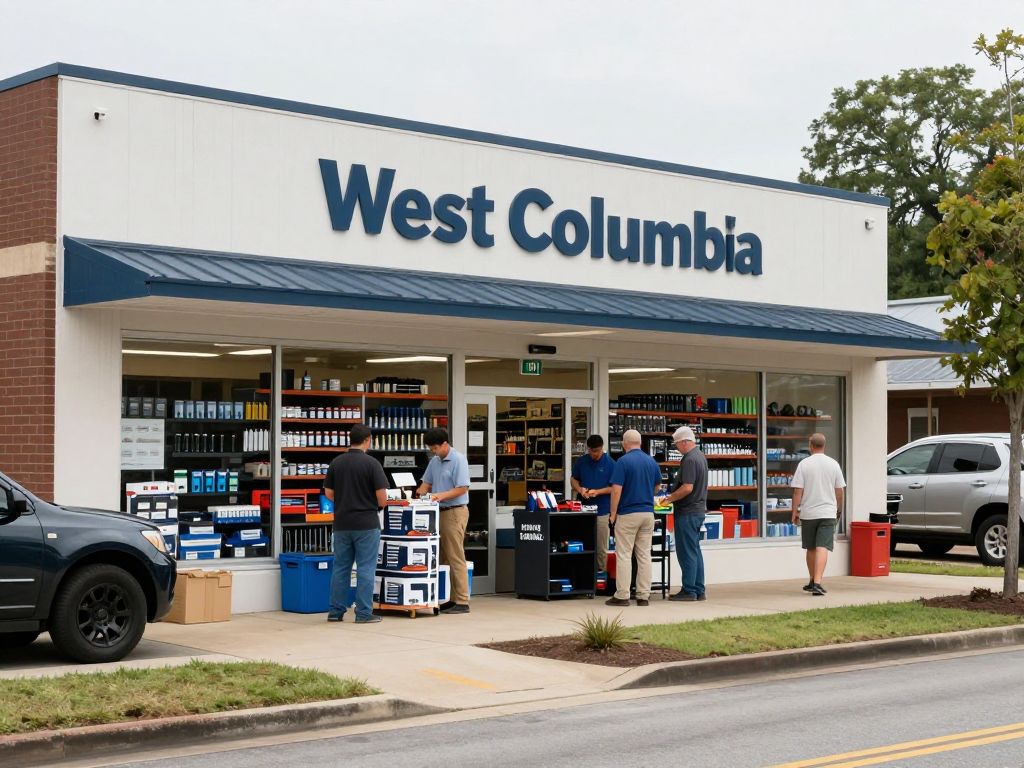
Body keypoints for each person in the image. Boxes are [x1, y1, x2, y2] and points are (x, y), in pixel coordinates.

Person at [325, 423, 389, 624]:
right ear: (367, 440)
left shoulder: (337, 462)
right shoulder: (372, 464)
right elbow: (382, 498)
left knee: (341, 567)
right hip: (366, 524)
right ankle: (363, 613)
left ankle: (335, 612)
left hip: (342, 523)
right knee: (365, 568)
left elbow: (328, 493)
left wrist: (345, 502)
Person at [417, 427, 472, 614]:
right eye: (431, 449)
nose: (433, 451)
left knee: (455, 555)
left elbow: (462, 488)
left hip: (454, 512)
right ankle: (451, 598)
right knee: (442, 557)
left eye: (435, 448)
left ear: (444, 444)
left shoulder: (458, 460)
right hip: (437, 512)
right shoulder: (435, 461)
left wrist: (439, 496)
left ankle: (463, 601)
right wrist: (416, 495)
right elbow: (426, 484)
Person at [606, 429, 661, 607]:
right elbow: (658, 486)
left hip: (628, 513)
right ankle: (643, 595)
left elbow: (616, 489)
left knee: (624, 554)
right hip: (647, 513)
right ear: (640, 443)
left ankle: (622, 595)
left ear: (624, 443)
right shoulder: (651, 461)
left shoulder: (623, 461)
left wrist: (613, 513)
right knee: (644, 554)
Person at [790, 432, 846, 596]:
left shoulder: (804, 464)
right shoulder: (833, 464)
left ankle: (812, 580)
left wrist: (795, 511)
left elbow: (797, 491)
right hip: (828, 512)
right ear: (824, 445)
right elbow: (840, 491)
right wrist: (839, 509)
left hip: (809, 513)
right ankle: (818, 582)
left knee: (811, 547)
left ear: (810, 445)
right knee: (823, 547)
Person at [658, 425, 708, 601]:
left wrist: (669, 498)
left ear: (686, 442)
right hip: (698, 510)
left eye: (677, 444)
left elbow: (687, 487)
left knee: (686, 552)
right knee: (694, 550)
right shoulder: (701, 456)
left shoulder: (689, 459)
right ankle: (699, 589)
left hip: (687, 511)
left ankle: (689, 590)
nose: (677, 448)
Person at [570, 434, 616, 573]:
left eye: (596, 451)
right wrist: (580, 489)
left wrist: (598, 492)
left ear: (602, 448)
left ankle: (600, 575)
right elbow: (573, 479)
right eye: (591, 451)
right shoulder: (582, 462)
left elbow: (614, 488)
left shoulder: (611, 464)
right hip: (583, 509)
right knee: (583, 544)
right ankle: (583, 574)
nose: (594, 454)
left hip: (602, 510)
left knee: (601, 547)